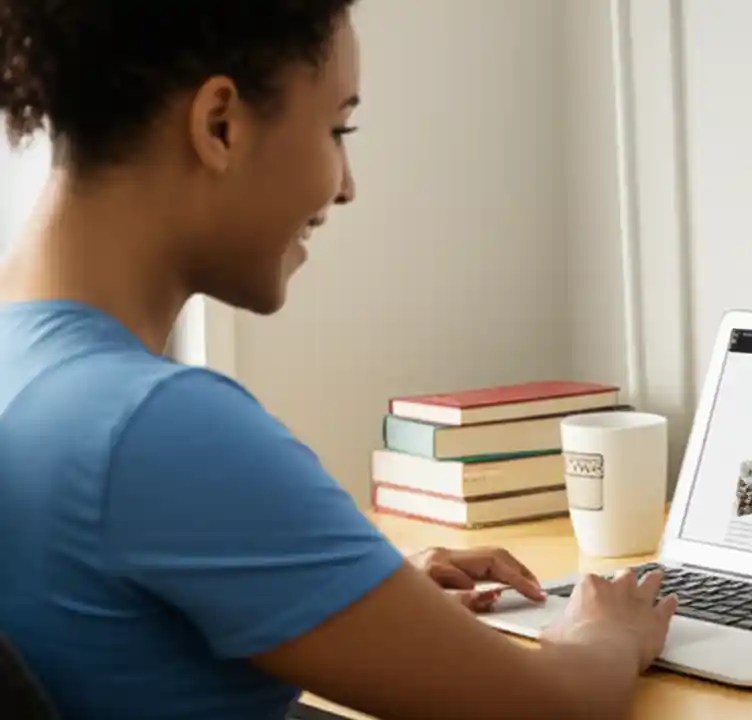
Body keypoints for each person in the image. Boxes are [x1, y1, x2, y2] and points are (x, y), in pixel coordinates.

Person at [0, 2, 676, 719]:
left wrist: (356, 597)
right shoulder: (155, 427)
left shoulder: (28, 372)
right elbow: (554, 709)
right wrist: (606, 632)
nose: (345, 185)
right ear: (219, 125)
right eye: (336, 129)